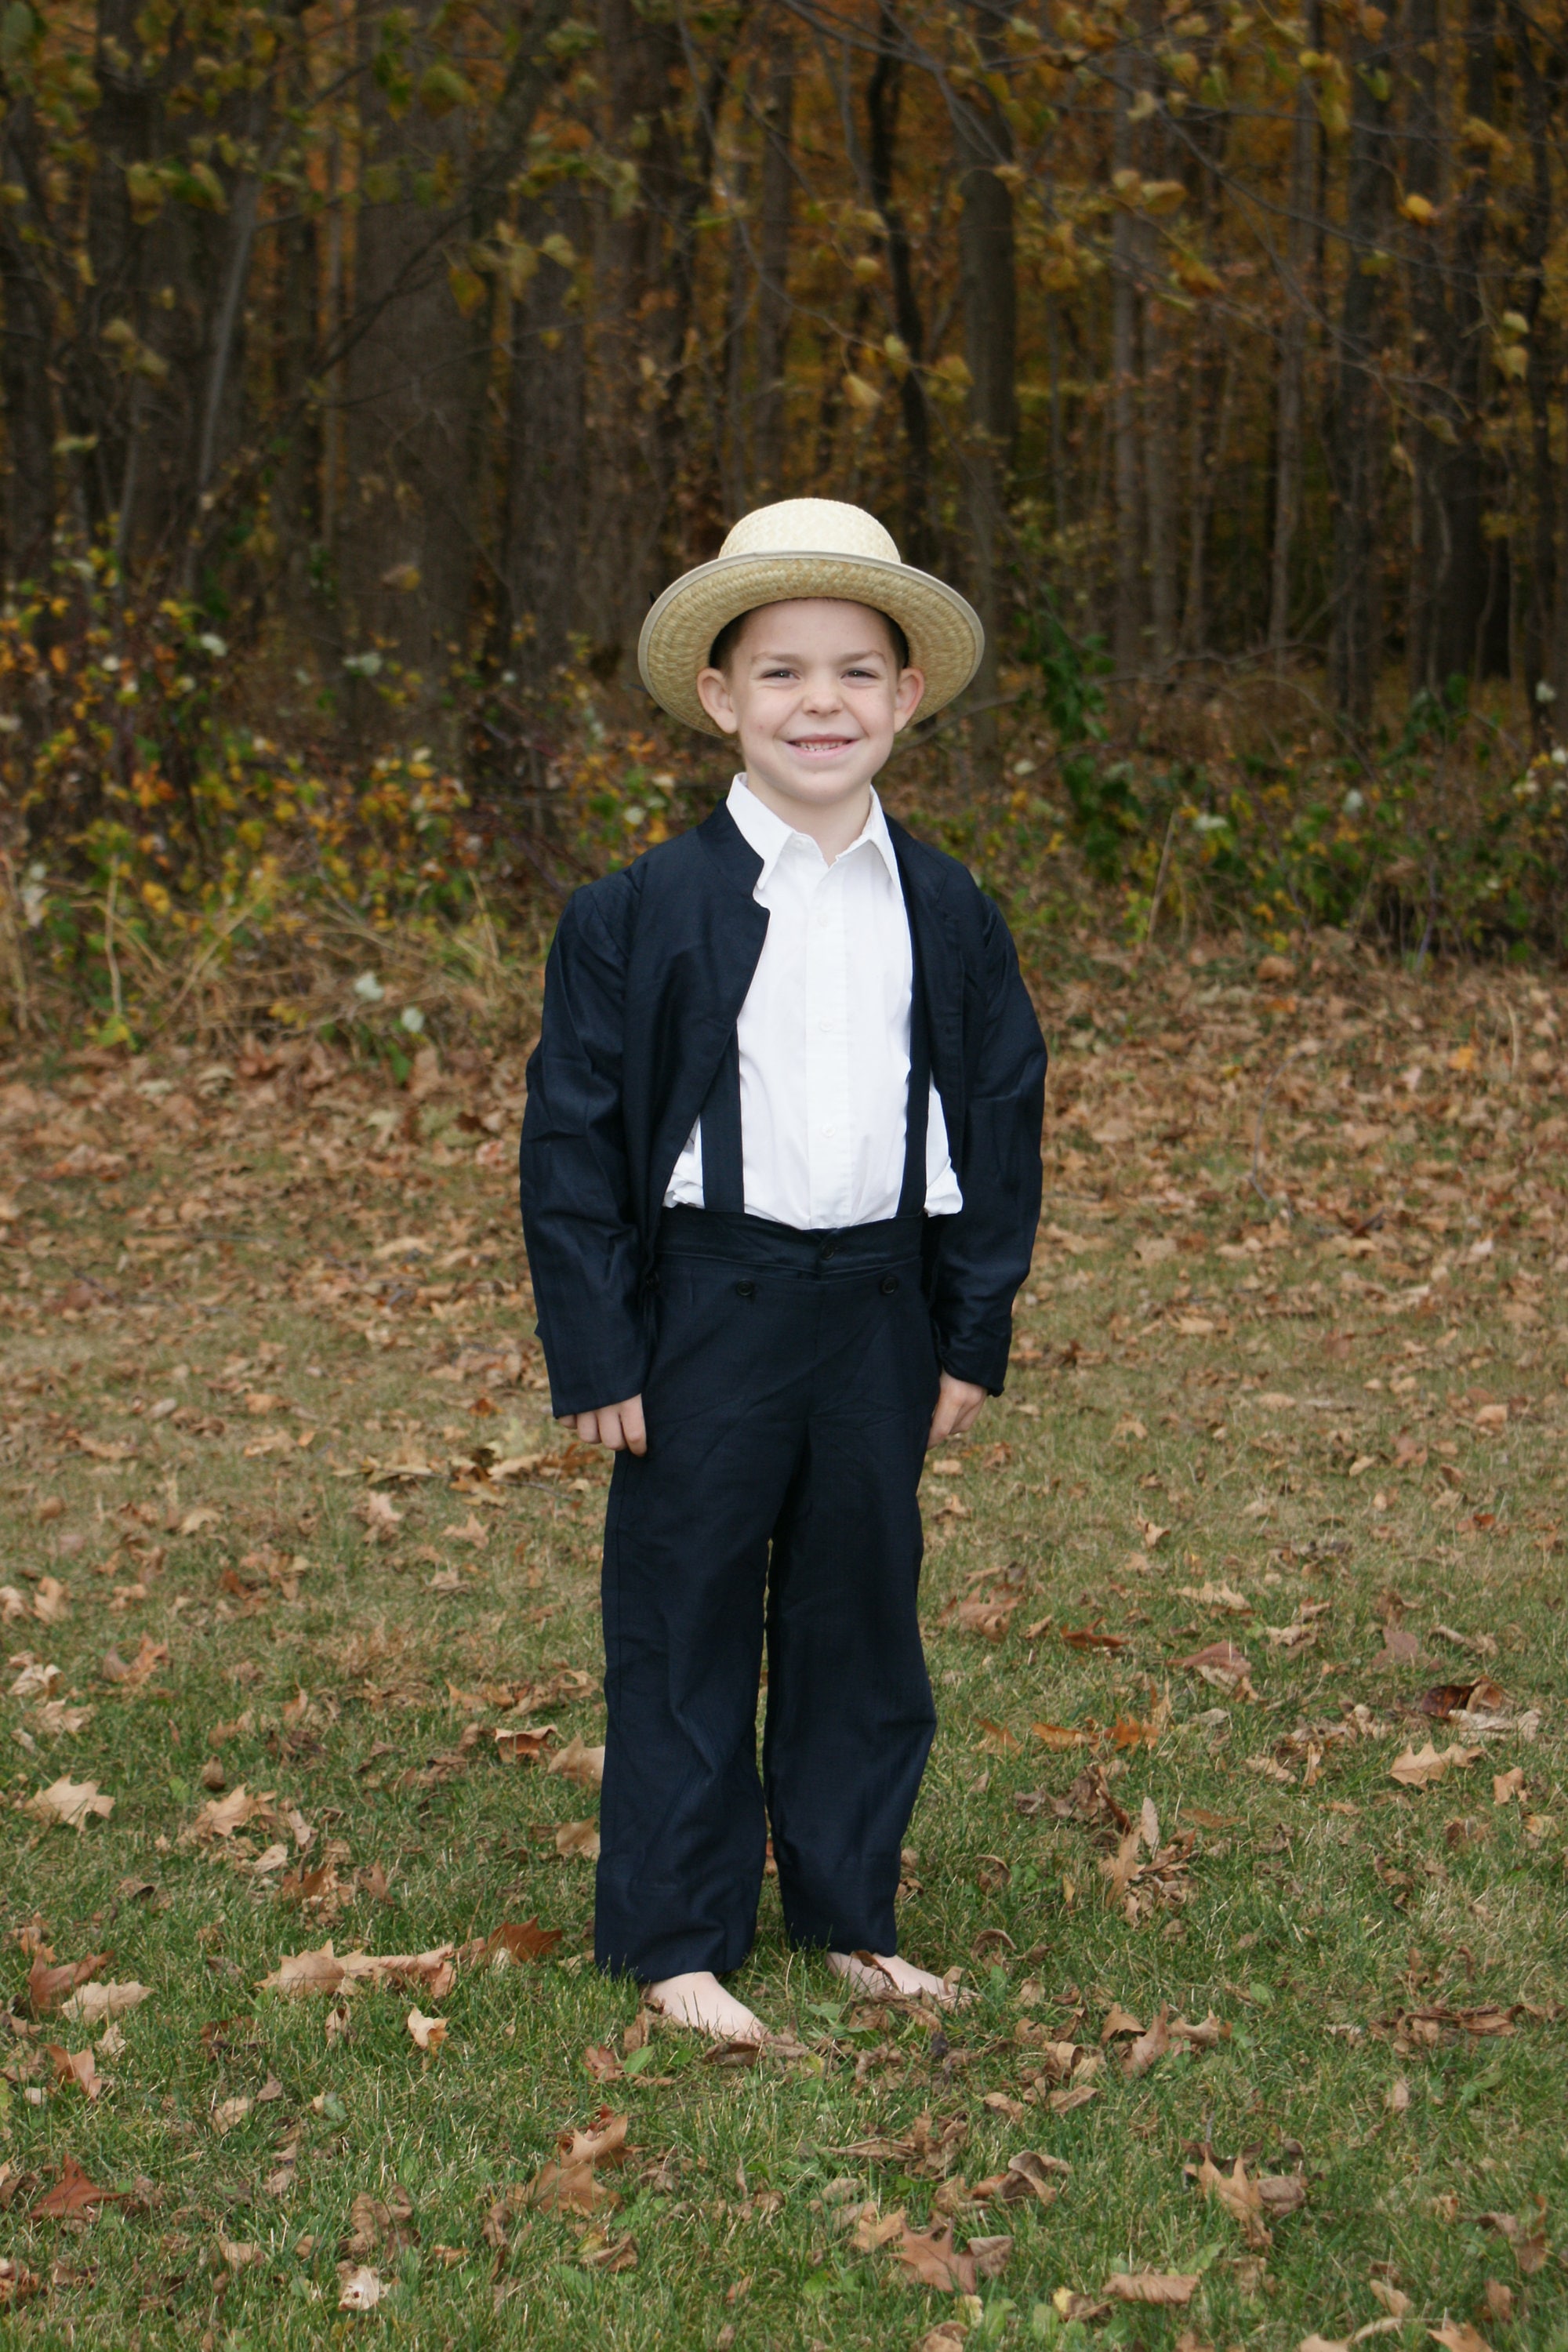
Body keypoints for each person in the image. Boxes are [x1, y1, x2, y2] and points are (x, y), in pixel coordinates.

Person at [519, 498, 1046, 2042]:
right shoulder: (635, 912)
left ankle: (847, 1911)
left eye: (857, 671)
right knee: (686, 1609)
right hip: (708, 1309)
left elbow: (998, 1122)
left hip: (880, 1310)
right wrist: (600, 1348)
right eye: (783, 672)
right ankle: (678, 1936)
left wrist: (970, 1329)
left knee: (856, 1612)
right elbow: (574, 1142)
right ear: (719, 698)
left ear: (906, 697)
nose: (821, 702)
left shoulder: (944, 907)